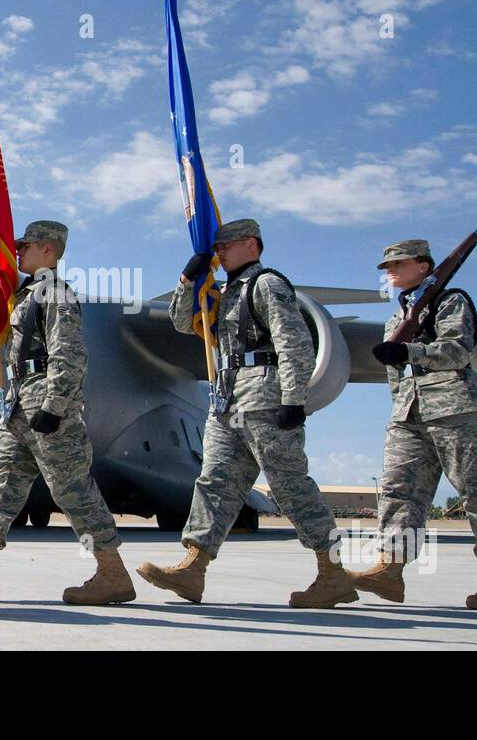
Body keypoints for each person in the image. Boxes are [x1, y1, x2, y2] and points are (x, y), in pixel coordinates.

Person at [136, 219, 356, 608]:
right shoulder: (224, 292)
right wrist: (188, 281)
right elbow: (182, 322)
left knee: (290, 485)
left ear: (252, 244)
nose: (219, 252)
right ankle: (193, 569)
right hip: (227, 399)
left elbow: (293, 342)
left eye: (227, 245)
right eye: (216, 247)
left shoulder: (267, 284)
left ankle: (332, 572)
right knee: (214, 483)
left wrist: (293, 398)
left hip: (264, 395)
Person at [0, 221, 134, 605]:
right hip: (18, 399)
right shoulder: (23, 294)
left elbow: (69, 354)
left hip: (45, 399)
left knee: (72, 489)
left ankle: (112, 573)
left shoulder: (56, 294)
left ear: (49, 250)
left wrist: (55, 406)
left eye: (26, 245)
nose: (17, 251)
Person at [350, 239, 477, 609]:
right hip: (409, 414)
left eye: (399, 262)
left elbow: (458, 350)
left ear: (425, 266)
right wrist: (399, 404)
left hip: (458, 410)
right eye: (386, 266)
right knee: (399, 490)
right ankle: (389, 571)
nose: (390, 270)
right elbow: (395, 376)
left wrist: (410, 351)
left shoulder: (450, 301)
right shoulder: (397, 317)